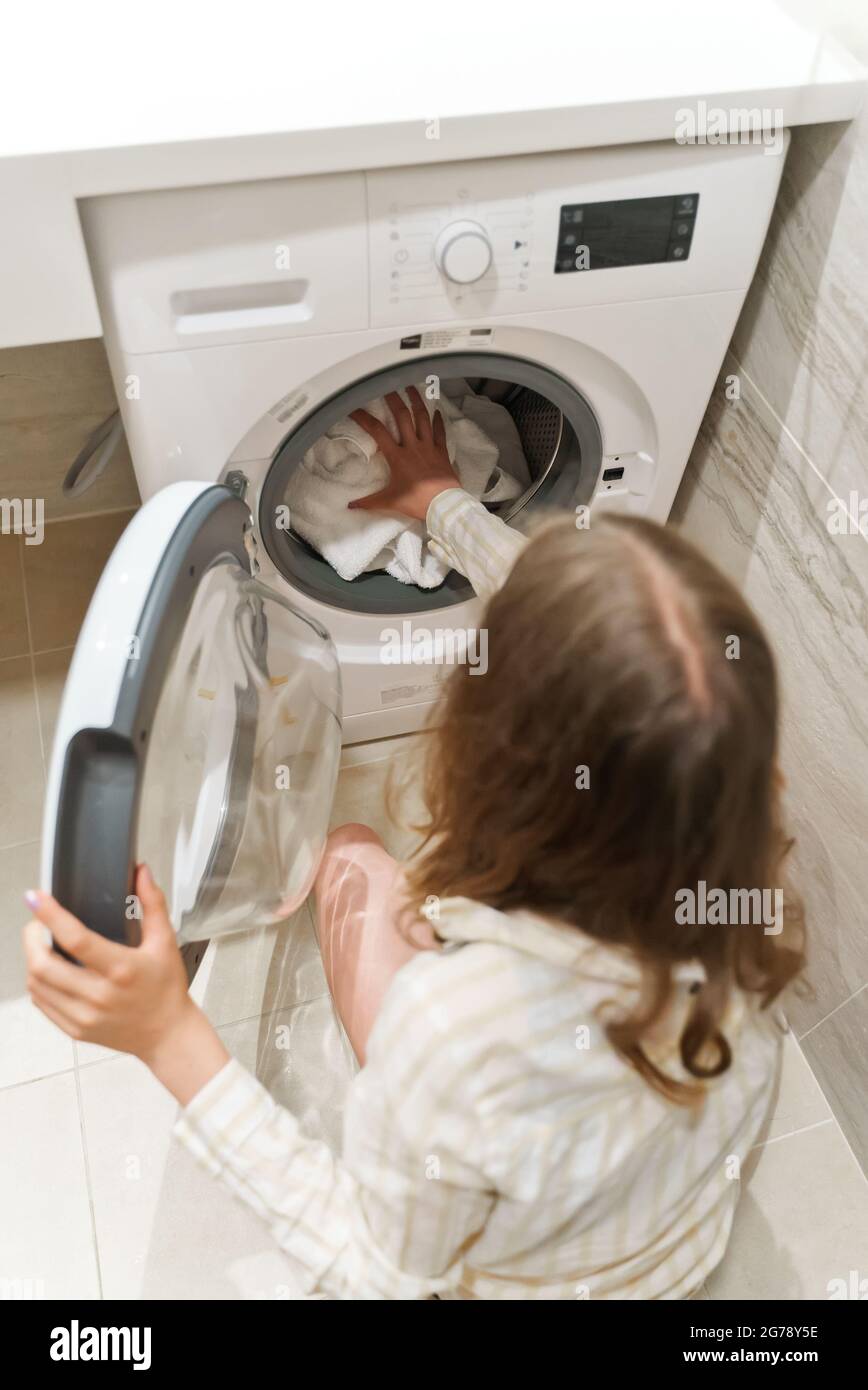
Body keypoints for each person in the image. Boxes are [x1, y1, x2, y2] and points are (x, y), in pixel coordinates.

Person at [23, 386, 804, 1300]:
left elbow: (375, 1275)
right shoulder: (748, 907)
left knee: (348, 852)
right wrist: (443, 505)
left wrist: (169, 1036)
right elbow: (607, 658)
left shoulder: (455, 1030)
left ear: (480, 763)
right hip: (673, 1265)